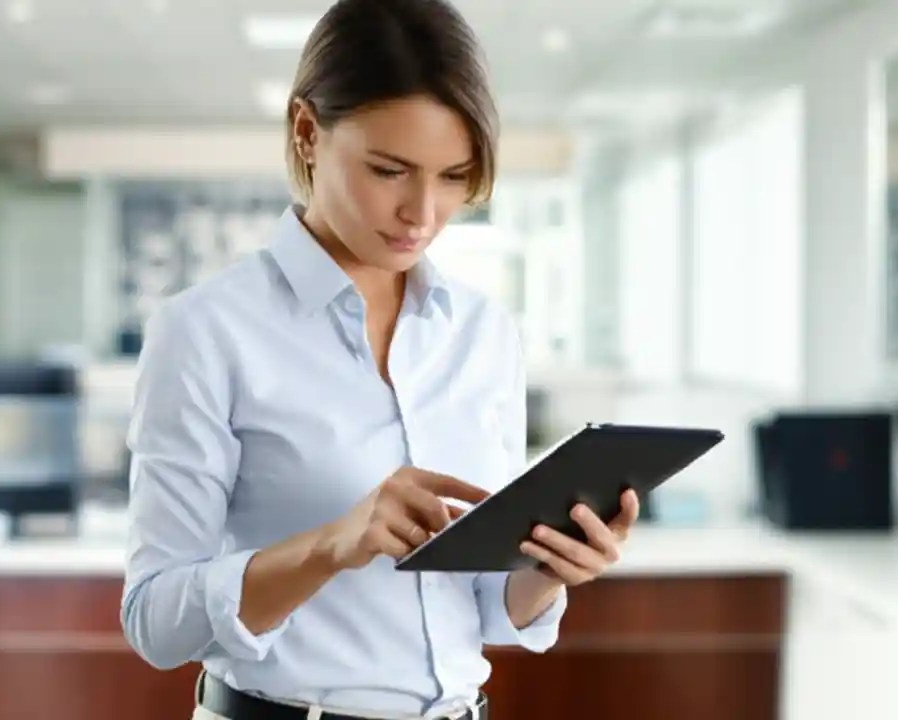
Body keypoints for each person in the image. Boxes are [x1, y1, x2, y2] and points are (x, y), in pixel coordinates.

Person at [121, 1, 640, 718]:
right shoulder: (205, 331)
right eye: (390, 170)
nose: (422, 213)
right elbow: (154, 621)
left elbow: (486, 608)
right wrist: (331, 545)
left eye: (454, 176)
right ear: (307, 132)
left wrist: (551, 568)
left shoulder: (484, 334)